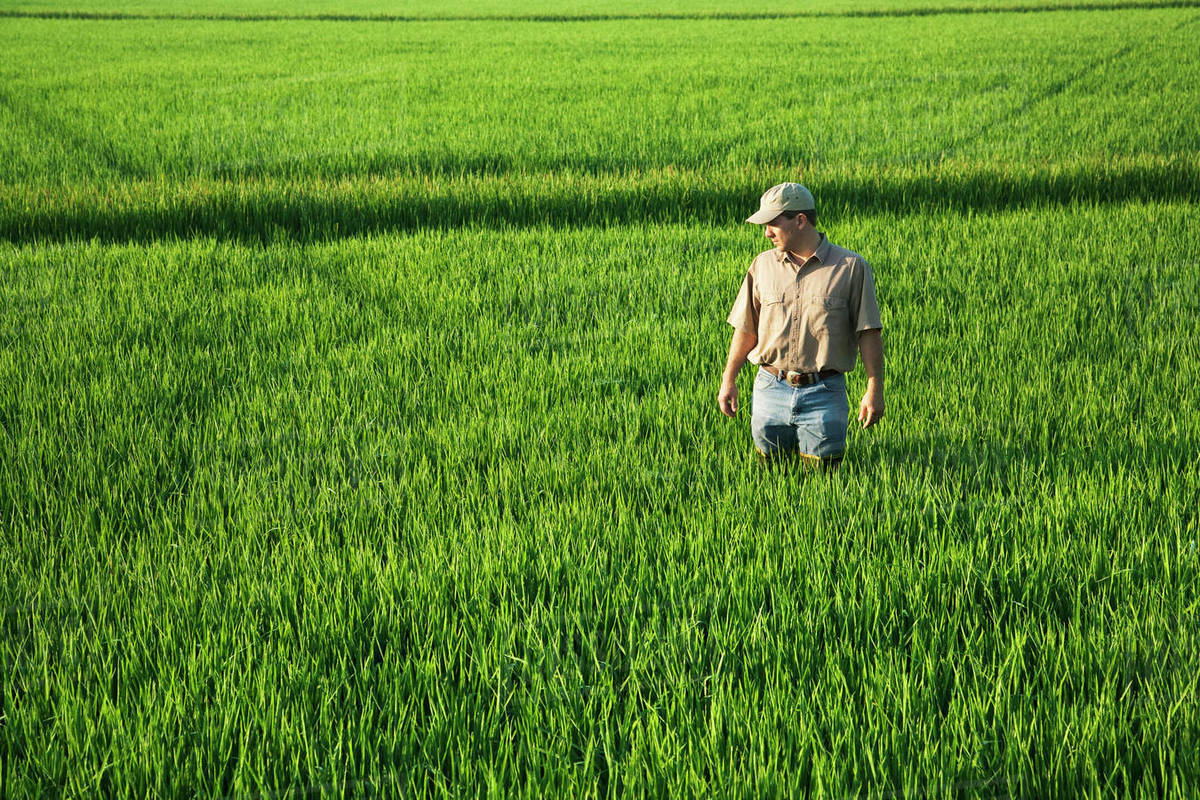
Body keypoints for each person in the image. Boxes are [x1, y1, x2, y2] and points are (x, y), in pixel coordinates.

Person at [717, 182, 884, 467]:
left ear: (800, 221)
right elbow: (746, 328)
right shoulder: (762, 265)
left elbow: (868, 332)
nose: (766, 232)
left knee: (824, 485)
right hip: (770, 389)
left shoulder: (851, 267)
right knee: (770, 482)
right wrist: (728, 379)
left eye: (772, 224)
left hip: (825, 394)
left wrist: (874, 389)